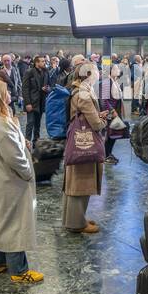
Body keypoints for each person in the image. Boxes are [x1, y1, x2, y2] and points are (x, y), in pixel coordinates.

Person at [0, 80, 42, 284]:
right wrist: (29, 173)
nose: (10, 93)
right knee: (14, 224)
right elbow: (14, 157)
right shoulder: (0, 123)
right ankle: (19, 271)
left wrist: (21, 138)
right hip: (10, 182)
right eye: (6, 91)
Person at [62, 62, 109, 234]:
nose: (98, 74)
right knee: (80, 184)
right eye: (96, 71)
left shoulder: (80, 89)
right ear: (89, 74)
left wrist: (97, 115)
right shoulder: (84, 93)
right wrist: (103, 120)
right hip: (84, 142)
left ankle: (74, 218)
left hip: (77, 139)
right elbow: (96, 124)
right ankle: (76, 223)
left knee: (75, 182)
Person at [23, 55, 49, 144]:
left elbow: (49, 85)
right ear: (36, 63)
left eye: (44, 61)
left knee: (38, 124)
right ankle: (27, 142)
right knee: (30, 123)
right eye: (42, 61)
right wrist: (27, 103)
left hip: (41, 101)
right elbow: (25, 88)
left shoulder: (46, 71)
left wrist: (47, 89)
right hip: (31, 102)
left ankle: (36, 142)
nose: (44, 63)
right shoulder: (29, 72)